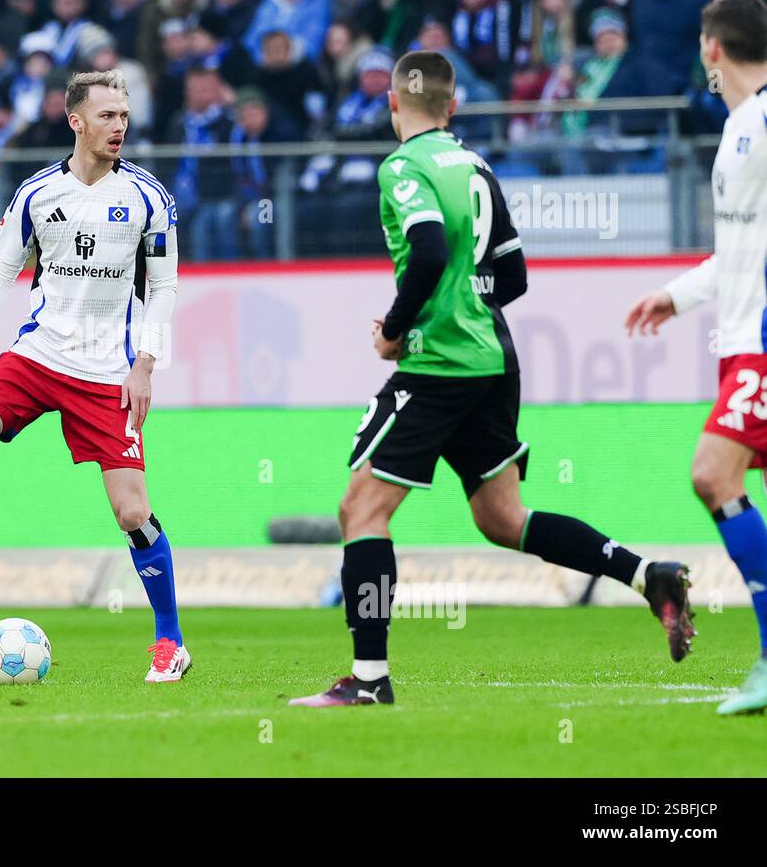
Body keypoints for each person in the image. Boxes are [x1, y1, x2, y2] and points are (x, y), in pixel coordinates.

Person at [289, 51, 695, 708]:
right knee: (504, 518)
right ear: (454, 106)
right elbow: (514, 278)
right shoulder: (476, 164)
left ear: (394, 104)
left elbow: (426, 249)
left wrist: (397, 328)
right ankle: (648, 574)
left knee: (361, 510)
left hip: (439, 361)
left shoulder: (405, 166)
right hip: (493, 360)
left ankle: (368, 681)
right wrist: (466, 308)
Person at [0, 70, 190, 684]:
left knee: (132, 512)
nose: (120, 127)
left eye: (125, 116)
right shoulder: (37, 193)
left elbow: (162, 287)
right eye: (107, 116)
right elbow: (4, 268)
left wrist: (146, 366)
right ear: (75, 120)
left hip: (109, 372)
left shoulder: (148, 197)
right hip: (38, 357)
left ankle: (170, 643)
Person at [624, 0, 767, 715]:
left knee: (714, 473)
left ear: (713, 48)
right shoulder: (741, 127)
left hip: (764, 346)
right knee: (724, 480)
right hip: (742, 341)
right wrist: (675, 296)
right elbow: (741, 249)